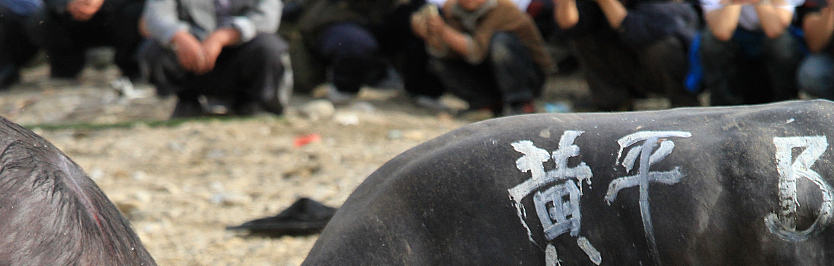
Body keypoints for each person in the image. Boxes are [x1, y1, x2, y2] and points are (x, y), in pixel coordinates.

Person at [140, 0, 291, 117]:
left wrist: (222, 37)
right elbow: (155, 16)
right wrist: (180, 36)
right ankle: (187, 101)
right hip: (193, 55)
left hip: (241, 49)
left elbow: (267, 16)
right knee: (154, 49)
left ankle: (255, 103)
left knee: (269, 47)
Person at [411, 0, 552, 114]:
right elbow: (450, 53)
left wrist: (443, 31)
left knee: (500, 43)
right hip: (492, 74)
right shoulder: (454, 9)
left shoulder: (503, 8)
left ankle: (521, 103)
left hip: (529, 74)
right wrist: (430, 35)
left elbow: (476, 52)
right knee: (439, 59)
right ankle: (485, 103)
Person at [553, 0, 699, 110]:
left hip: (675, 72)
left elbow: (639, 32)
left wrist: (606, 2)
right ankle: (613, 104)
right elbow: (569, 27)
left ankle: (684, 102)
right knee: (584, 37)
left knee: (661, 46)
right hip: (627, 67)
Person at [296, 0, 444, 103]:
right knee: (354, 43)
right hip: (341, 18)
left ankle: (424, 90)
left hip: (386, 16)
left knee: (430, 19)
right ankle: (344, 89)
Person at [698, 0, 803, 105]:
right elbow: (722, 32)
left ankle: (786, 102)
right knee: (711, 42)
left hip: (767, 41)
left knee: (781, 44)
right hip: (735, 41)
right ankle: (724, 105)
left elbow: (774, 30)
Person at [28, 0, 145, 84]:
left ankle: (134, 69)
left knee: (138, 13)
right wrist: (67, 3)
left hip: (117, 15)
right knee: (40, 20)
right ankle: (64, 70)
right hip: (70, 17)